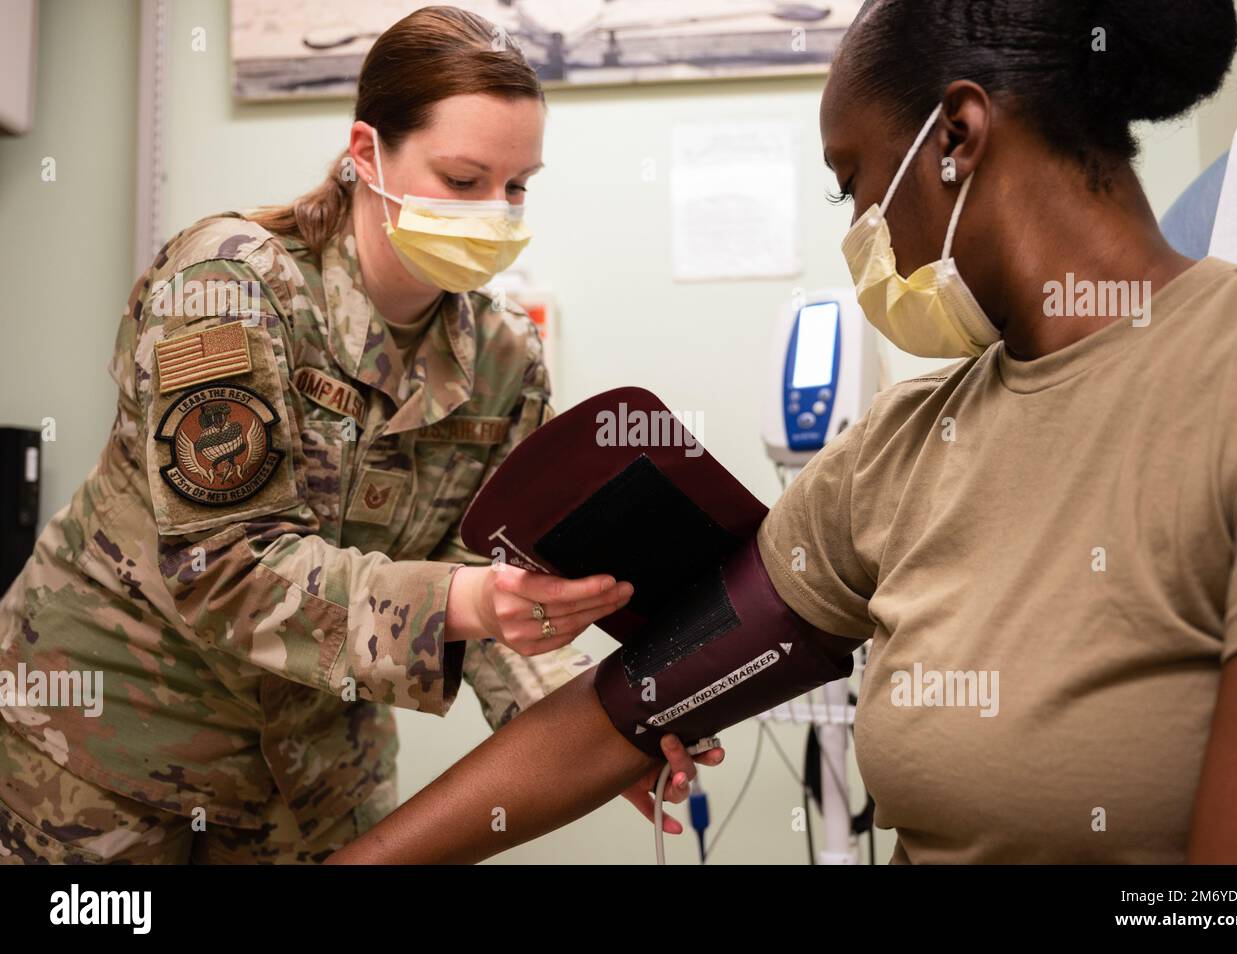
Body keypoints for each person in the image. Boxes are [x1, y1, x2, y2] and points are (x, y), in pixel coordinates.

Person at [327, 0, 1237, 865]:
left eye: (855, 184)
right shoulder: (907, 443)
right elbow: (616, 715)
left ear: (955, 136)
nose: (865, 230)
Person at [0, 5, 718, 865]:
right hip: (110, 762)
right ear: (368, 154)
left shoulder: (503, 357)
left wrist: (599, 733)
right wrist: (465, 602)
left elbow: (503, 581)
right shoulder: (229, 288)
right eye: (463, 180)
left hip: (317, 784)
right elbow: (227, 567)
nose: (497, 212)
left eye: (518, 185)